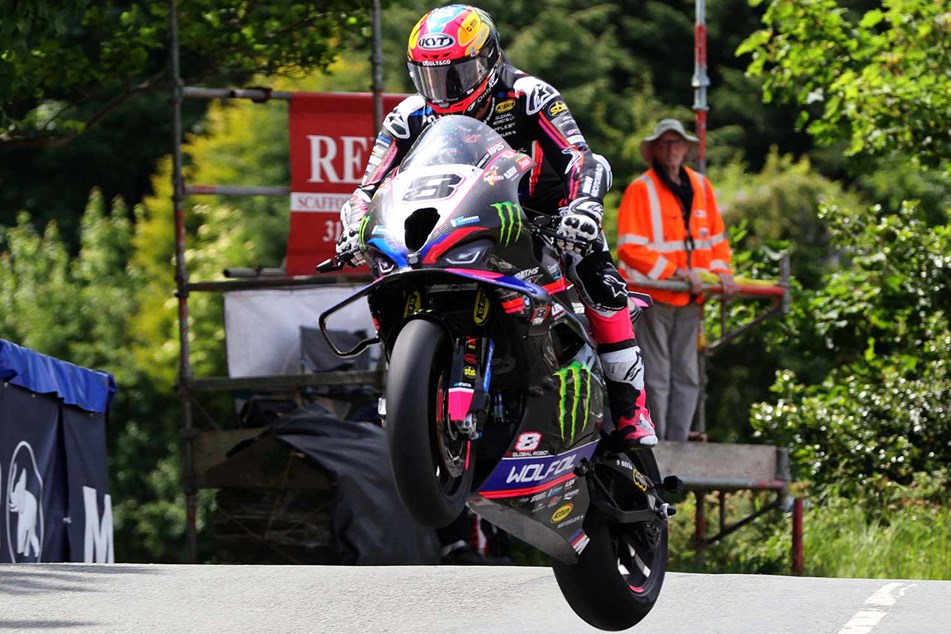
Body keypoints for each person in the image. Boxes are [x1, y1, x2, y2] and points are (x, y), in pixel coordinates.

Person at [336, 4, 656, 448]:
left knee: (600, 282)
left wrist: (583, 207)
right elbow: (367, 188)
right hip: (454, 224)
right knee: (391, 275)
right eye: (430, 77)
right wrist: (353, 225)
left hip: (543, 220)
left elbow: (584, 157)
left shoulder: (530, 94)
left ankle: (631, 410)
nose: (443, 89)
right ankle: (413, 383)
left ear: (488, 59)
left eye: (457, 74)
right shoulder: (407, 116)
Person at [615, 118, 739, 441]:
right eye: (665, 144)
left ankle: (679, 443)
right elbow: (629, 248)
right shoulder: (641, 189)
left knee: (687, 374)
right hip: (654, 297)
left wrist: (723, 272)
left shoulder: (700, 186)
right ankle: (659, 444)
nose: (672, 149)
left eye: (677, 143)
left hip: (690, 300)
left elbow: (715, 241)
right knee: (656, 374)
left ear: (686, 148)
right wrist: (674, 271)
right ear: (655, 150)